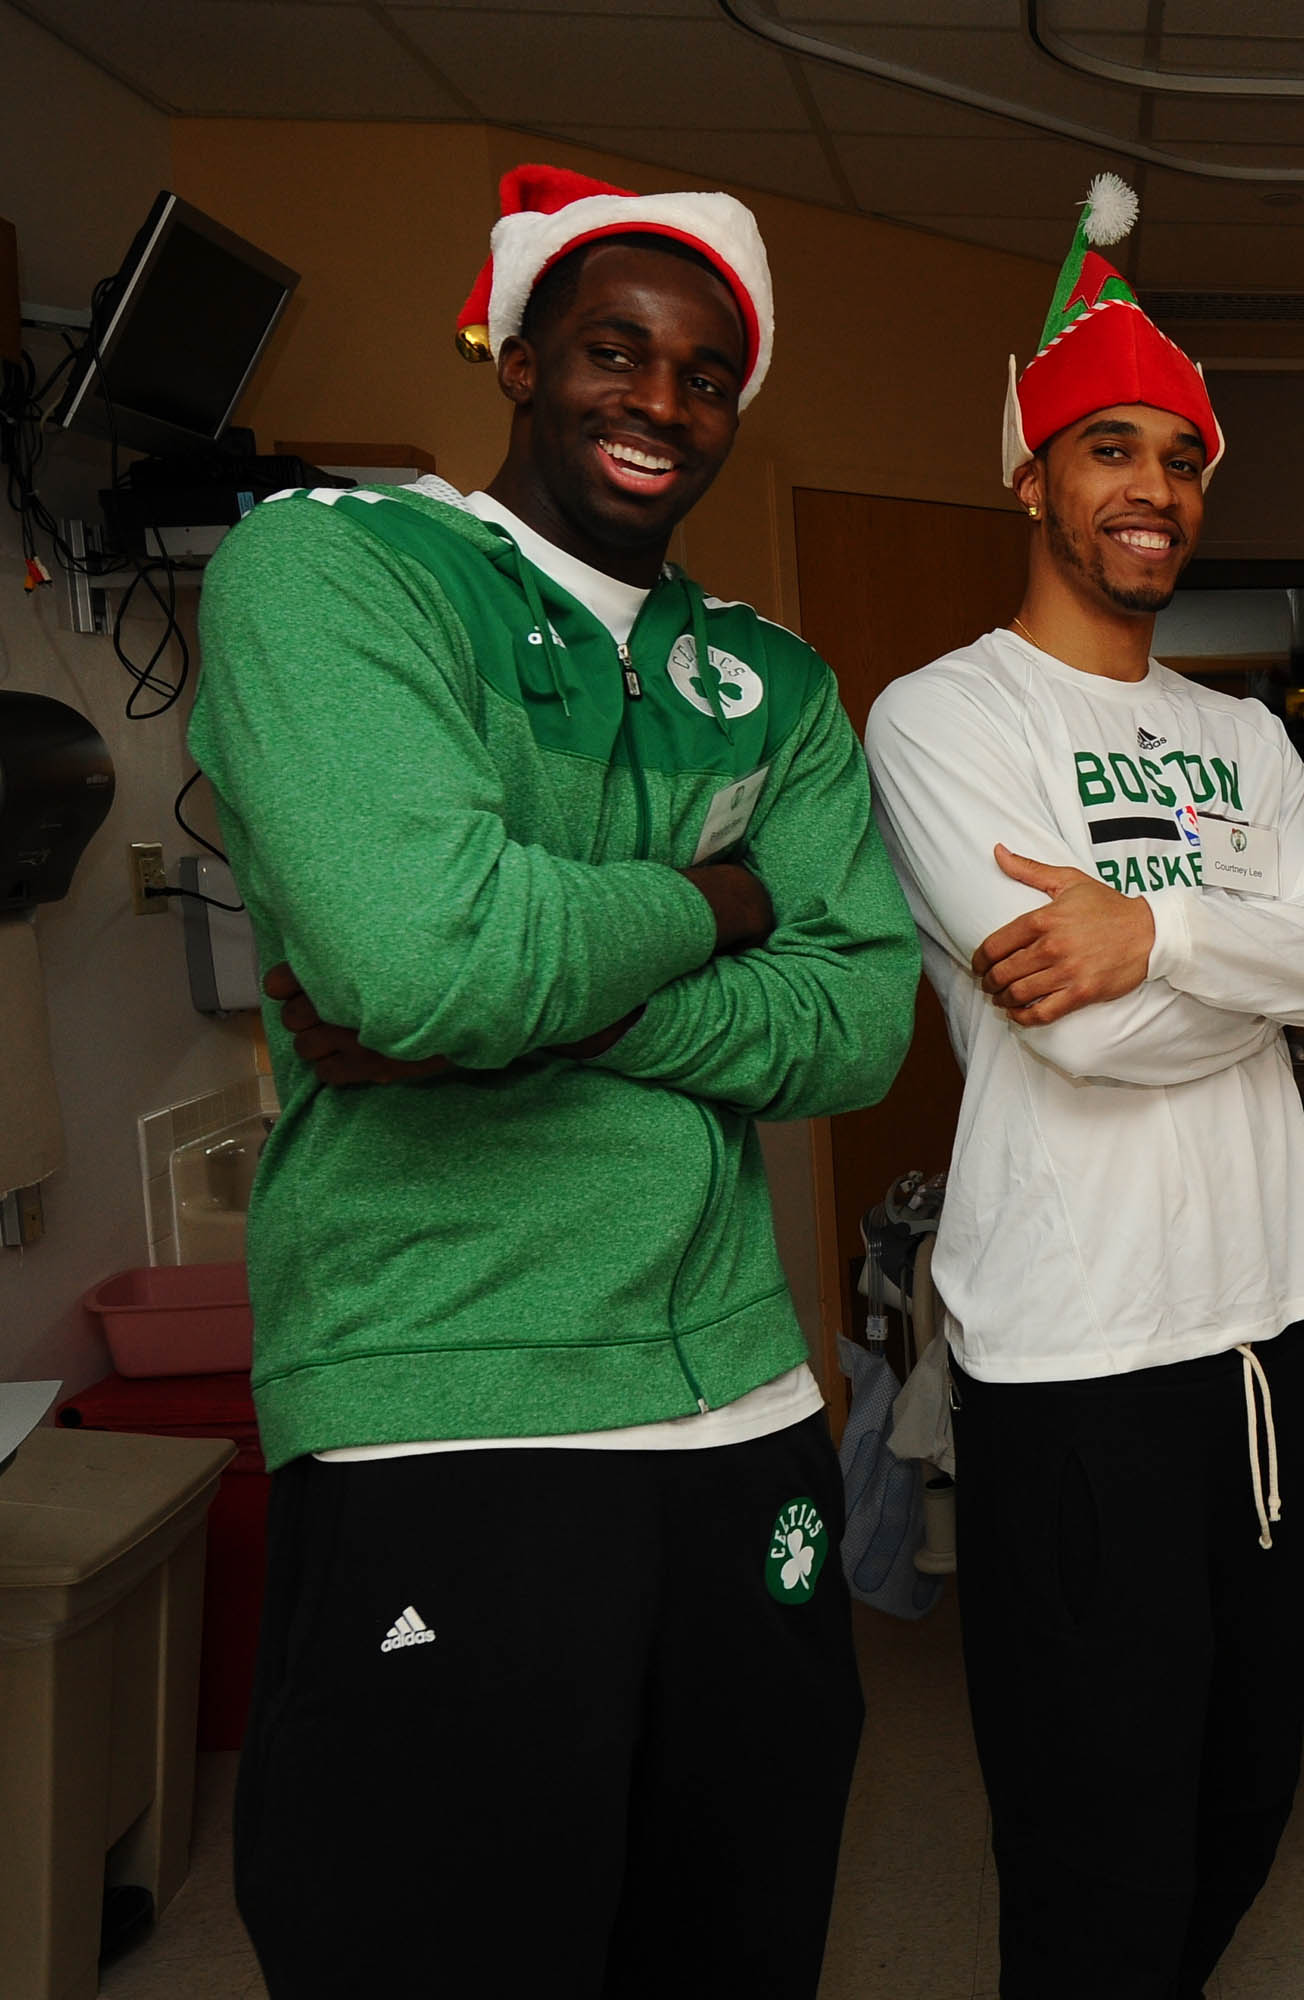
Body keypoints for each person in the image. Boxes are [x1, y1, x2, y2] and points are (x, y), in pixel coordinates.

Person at [191, 164, 920, 1995]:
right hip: (451, 1396)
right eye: (612, 352)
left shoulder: (773, 682)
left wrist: (559, 994)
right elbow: (419, 959)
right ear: (519, 359)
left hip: (740, 1401)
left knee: (736, 1934)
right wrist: (716, 899)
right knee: (447, 1945)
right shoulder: (337, 570)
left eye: (703, 376)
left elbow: (854, 1025)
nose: (658, 406)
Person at [859, 174, 1304, 2000]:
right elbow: (1068, 1031)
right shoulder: (945, 716)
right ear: (1033, 478)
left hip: (1255, 1339)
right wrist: (1243, 937)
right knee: (1093, 1842)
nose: (1151, 487)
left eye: (1179, 454)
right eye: (1107, 448)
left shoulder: (1243, 734)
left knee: (1248, 1798)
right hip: (1073, 1360)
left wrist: (1152, 936)